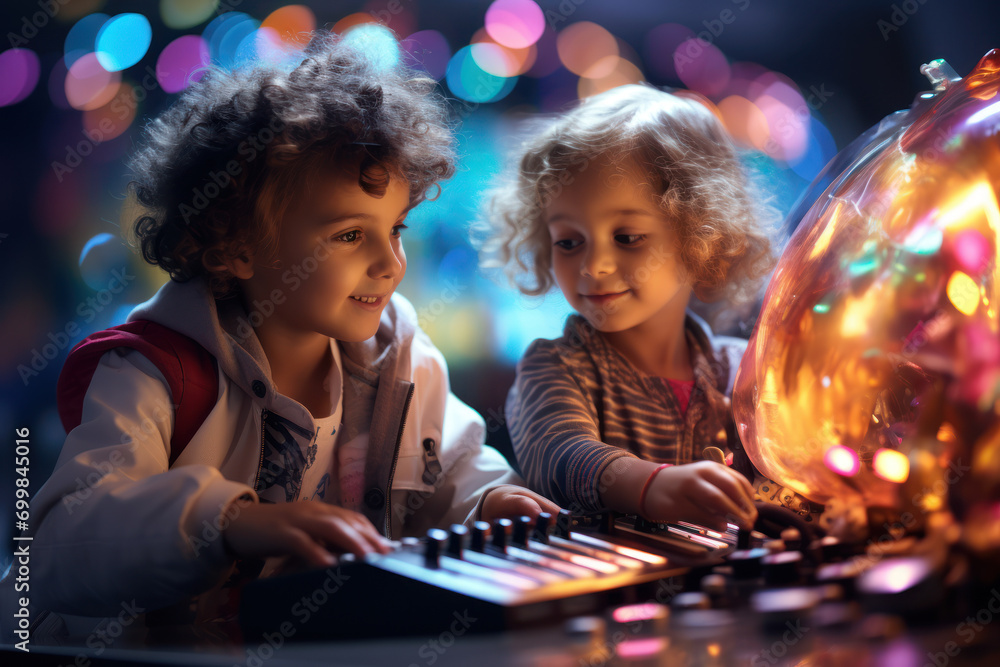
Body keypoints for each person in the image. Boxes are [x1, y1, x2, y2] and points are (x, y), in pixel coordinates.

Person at [19, 31, 557, 641]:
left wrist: (489, 502)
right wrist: (229, 522)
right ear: (237, 246)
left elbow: (453, 470)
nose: (391, 263)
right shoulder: (154, 372)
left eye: (397, 229)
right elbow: (61, 549)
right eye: (351, 235)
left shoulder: (401, 358)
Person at [481, 84, 781, 532]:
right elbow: (560, 454)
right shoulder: (557, 367)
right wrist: (650, 486)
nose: (594, 265)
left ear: (701, 235)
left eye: (627, 238)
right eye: (568, 241)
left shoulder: (744, 374)